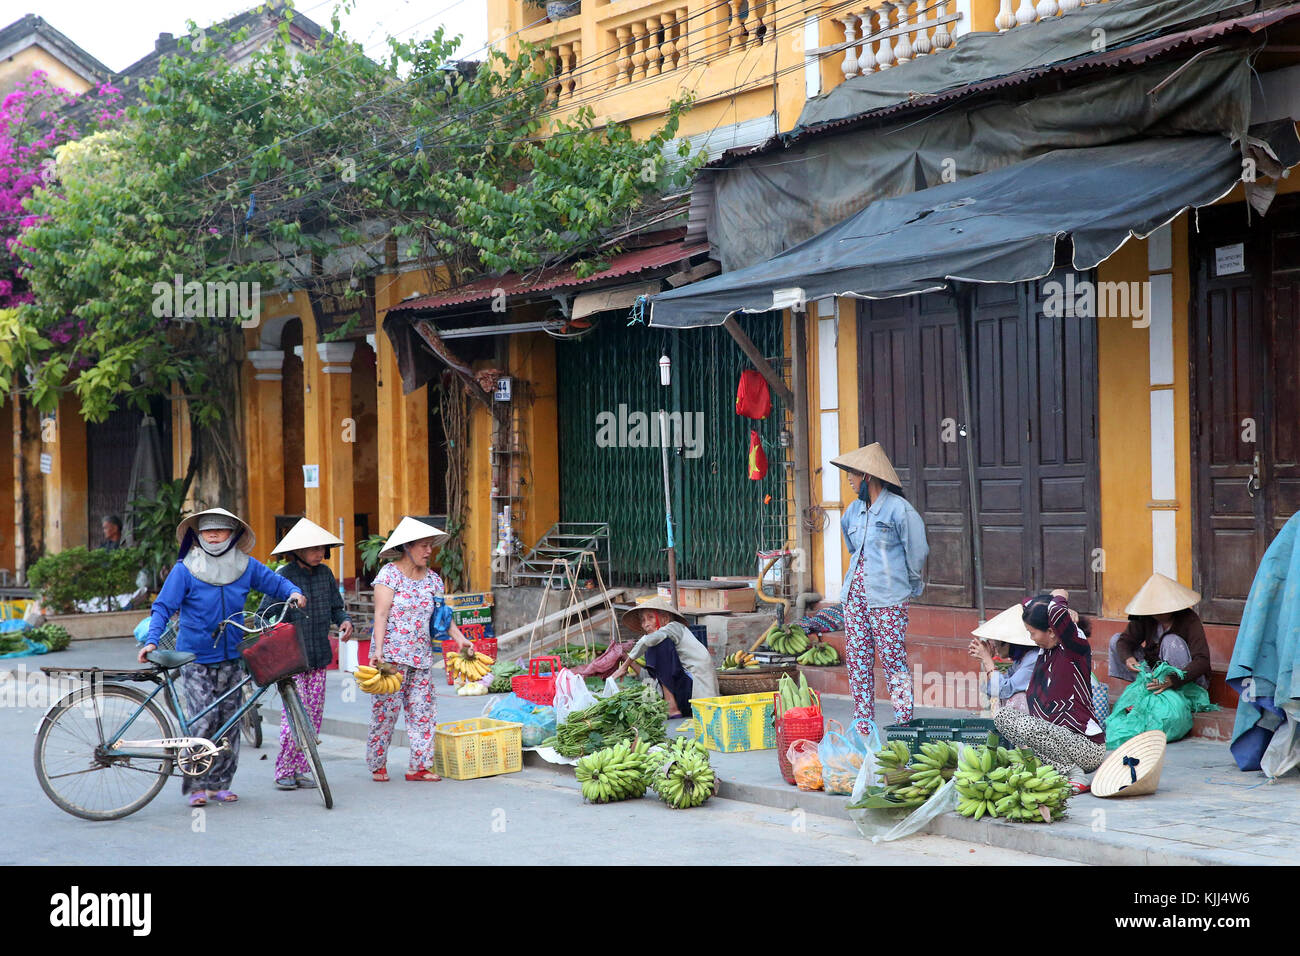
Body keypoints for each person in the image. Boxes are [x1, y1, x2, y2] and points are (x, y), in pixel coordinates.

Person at [138, 508, 306, 807]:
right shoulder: (185, 569)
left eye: (220, 530)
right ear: (198, 536)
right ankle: (197, 785)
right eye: (206, 531)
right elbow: (163, 607)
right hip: (194, 657)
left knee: (230, 721)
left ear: (233, 535)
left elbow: (276, 583)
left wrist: (293, 592)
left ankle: (220, 784)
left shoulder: (246, 566)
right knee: (203, 721)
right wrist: (152, 641)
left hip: (231, 655)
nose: (213, 535)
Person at [366, 516, 475, 783]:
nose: (429, 551)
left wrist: (459, 639)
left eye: (430, 546)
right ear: (407, 547)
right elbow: (381, 615)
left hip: (421, 657)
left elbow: (442, 616)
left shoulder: (434, 581)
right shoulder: (389, 575)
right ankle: (378, 763)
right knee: (385, 713)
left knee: (422, 712)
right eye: (423, 546)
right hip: (390, 658)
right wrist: (378, 652)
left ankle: (420, 765)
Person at [831, 442, 928, 733]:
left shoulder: (899, 510)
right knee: (858, 662)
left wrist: (908, 583)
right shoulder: (854, 511)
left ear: (867, 477)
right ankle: (864, 728)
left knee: (893, 662)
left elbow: (918, 551)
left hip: (888, 599)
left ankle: (904, 724)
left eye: (852, 475)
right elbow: (851, 546)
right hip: (854, 600)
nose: (848, 479)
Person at [261, 518, 354, 791]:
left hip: (318, 656)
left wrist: (345, 620)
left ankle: (303, 768)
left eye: (321, 548)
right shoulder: (283, 576)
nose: (318, 553)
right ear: (298, 550)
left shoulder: (325, 574)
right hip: (292, 659)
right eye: (313, 548)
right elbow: (265, 615)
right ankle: (285, 769)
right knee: (294, 717)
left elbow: (337, 608)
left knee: (313, 716)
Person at [993, 590, 1106, 781]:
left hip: (1086, 747)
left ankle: (1074, 773)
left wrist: (1061, 597)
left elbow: (1055, 608)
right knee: (1003, 716)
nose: (1031, 638)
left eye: (1033, 633)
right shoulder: (1045, 651)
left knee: (1028, 726)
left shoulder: (1072, 648)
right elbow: (1030, 604)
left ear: (1052, 632)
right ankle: (1049, 767)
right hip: (1058, 740)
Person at [611, 598, 719, 718]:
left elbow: (647, 641)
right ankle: (651, 704)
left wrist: (624, 666)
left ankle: (671, 706)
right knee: (652, 645)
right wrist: (627, 660)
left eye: (651, 617)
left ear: (665, 619)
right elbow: (653, 676)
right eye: (643, 620)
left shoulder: (674, 627)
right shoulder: (656, 643)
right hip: (684, 696)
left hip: (696, 694)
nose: (646, 624)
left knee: (656, 643)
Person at [1109, 572, 1211, 693]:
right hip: (1156, 673)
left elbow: (1202, 660)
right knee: (1115, 640)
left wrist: (1173, 679)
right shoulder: (1145, 617)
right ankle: (1151, 686)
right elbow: (1124, 641)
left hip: (1186, 679)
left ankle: (1178, 693)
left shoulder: (1189, 619)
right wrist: (1128, 658)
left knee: (1171, 641)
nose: (1158, 614)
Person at [968, 604, 1040, 713]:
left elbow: (1005, 690)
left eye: (997, 640)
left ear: (1009, 642)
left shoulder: (1033, 659)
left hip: (1041, 718)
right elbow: (991, 690)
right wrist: (986, 660)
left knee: (1017, 698)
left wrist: (988, 661)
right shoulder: (1020, 661)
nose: (994, 644)